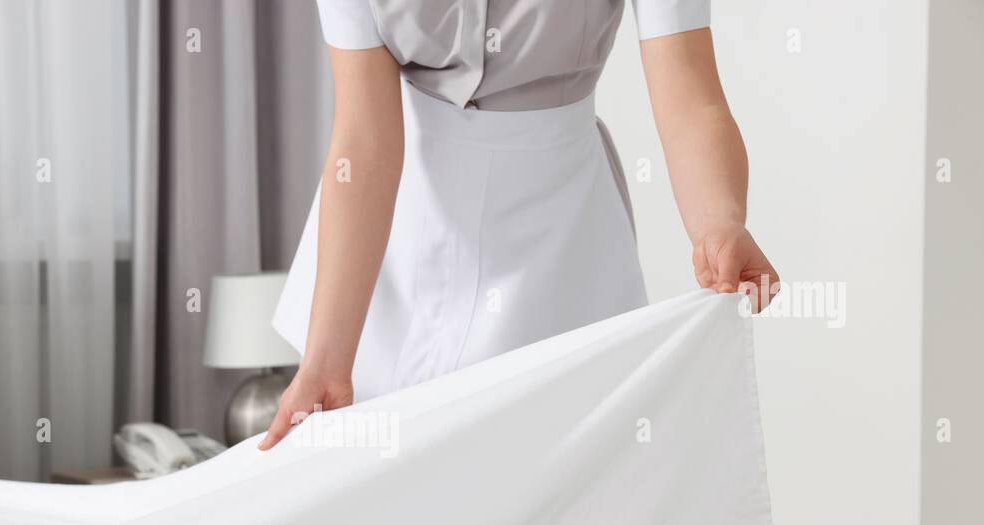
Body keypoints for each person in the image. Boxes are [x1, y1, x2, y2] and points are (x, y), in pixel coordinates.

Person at [261, 0, 779, 450]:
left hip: (556, 243)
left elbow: (690, 93)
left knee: (555, 507)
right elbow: (364, 139)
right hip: (390, 249)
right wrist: (328, 361)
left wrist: (719, 223)